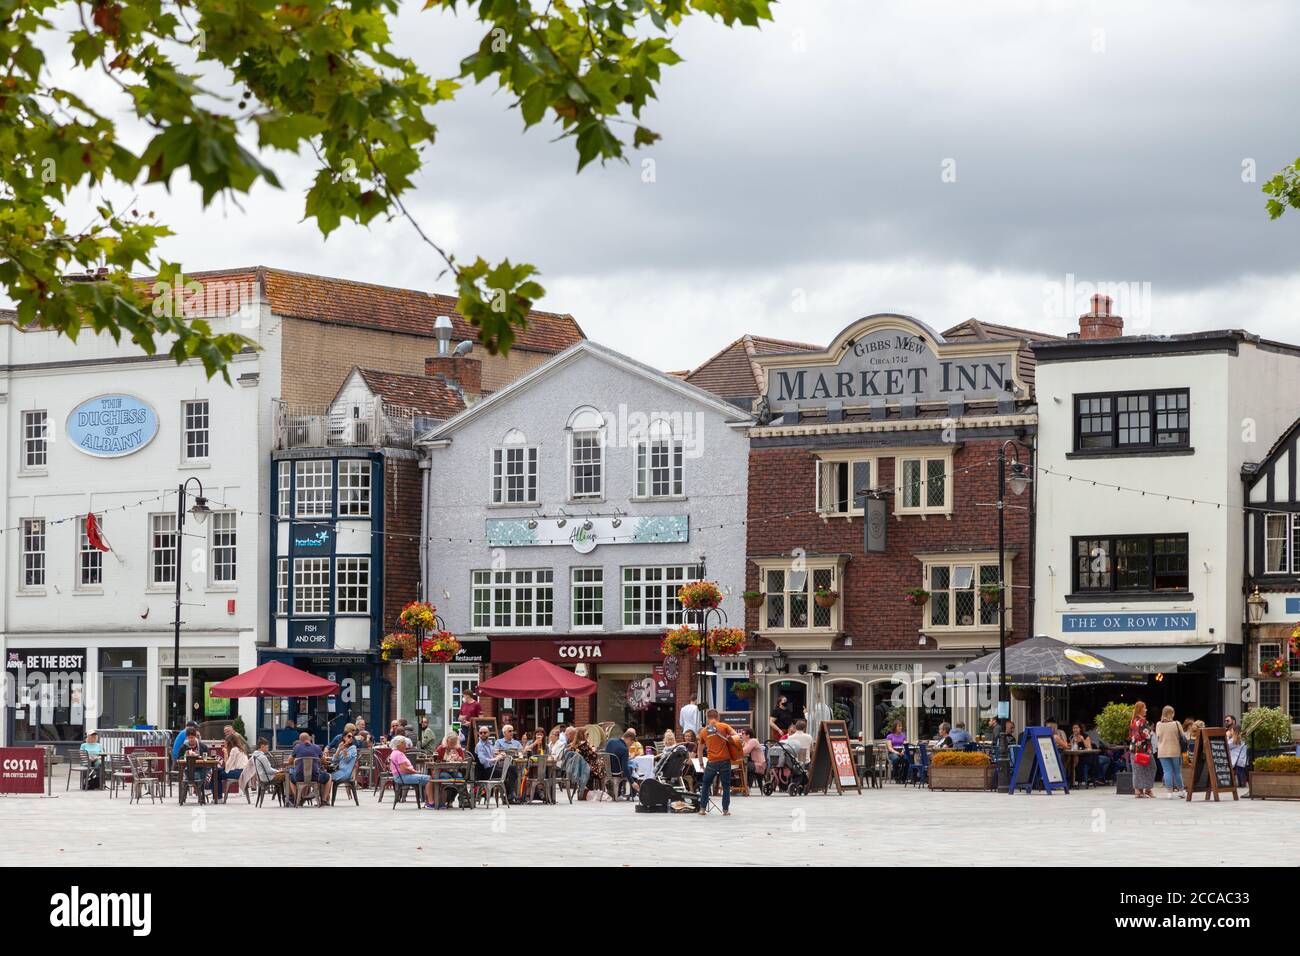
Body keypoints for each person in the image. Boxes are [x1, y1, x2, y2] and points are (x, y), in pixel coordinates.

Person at [696, 710, 739, 816]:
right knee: (726, 786)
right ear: (718, 716)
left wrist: (701, 763)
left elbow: (700, 749)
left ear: (707, 717)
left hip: (712, 762)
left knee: (706, 784)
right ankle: (725, 810)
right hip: (725, 760)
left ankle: (702, 809)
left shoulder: (703, 731)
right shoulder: (724, 726)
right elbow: (736, 736)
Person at [388, 737, 437, 808]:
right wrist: (415, 772)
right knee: (429, 779)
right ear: (399, 745)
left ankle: (428, 801)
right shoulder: (399, 754)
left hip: (399, 777)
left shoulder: (394, 752)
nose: (406, 745)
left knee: (426, 778)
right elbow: (404, 769)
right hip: (403, 776)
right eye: (404, 743)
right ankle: (431, 802)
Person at [290, 731, 331, 805]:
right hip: (315, 777)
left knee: (291, 778)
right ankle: (324, 800)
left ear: (300, 740)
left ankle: (297, 799)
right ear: (309, 738)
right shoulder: (317, 747)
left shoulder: (297, 747)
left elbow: (289, 761)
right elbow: (324, 761)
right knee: (329, 777)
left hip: (300, 777)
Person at [1154, 705, 1185, 798]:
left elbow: (1158, 737)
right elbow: (1183, 736)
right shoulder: (1176, 723)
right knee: (1177, 772)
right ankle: (1181, 791)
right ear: (1172, 713)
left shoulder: (1158, 724)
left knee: (1167, 771)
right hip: (1175, 750)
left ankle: (1169, 793)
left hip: (1162, 751)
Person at [1128, 700, 1156, 798]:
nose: (1146, 710)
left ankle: (1138, 791)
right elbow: (1146, 735)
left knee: (1137, 770)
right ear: (1140, 709)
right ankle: (1148, 789)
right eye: (1144, 708)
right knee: (1152, 767)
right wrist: (1151, 733)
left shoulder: (1133, 720)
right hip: (1143, 749)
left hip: (1133, 748)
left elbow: (1131, 734)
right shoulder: (1143, 721)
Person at [212, 732, 249, 803]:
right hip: (242, 771)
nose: (224, 743)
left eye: (225, 742)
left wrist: (225, 753)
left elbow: (228, 766)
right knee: (216, 771)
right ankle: (216, 796)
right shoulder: (240, 748)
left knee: (216, 774)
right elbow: (230, 766)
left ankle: (218, 797)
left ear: (229, 742)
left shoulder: (234, 750)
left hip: (239, 772)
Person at [603, 729, 639, 797]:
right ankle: (633, 793)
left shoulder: (611, 741)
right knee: (631, 769)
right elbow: (624, 768)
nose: (631, 744)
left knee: (630, 766)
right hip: (617, 772)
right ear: (629, 739)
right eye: (632, 742)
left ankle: (617, 791)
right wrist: (632, 782)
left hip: (607, 770)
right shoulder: (625, 749)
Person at [328, 731, 359, 796]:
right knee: (324, 776)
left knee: (327, 777)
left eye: (352, 737)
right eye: (349, 736)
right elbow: (334, 760)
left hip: (346, 773)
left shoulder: (353, 748)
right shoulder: (341, 746)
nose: (351, 738)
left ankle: (325, 799)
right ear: (344, 738)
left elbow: (347, 759)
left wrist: (344, 749)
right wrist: (339, 749)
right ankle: (325, 798)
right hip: (340, 771)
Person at [1226, 723, 1248, 790]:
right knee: (1241, 773)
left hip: (1236, 760)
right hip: (1241, 760)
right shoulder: (1243, 739)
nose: (1231, 732)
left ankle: (1240, 785)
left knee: (1238, 773)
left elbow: (1226, 745)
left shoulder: (1234, 740)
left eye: (1231, 730)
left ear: (1235, 731)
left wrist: (1227, 736)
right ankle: (1242, 785)